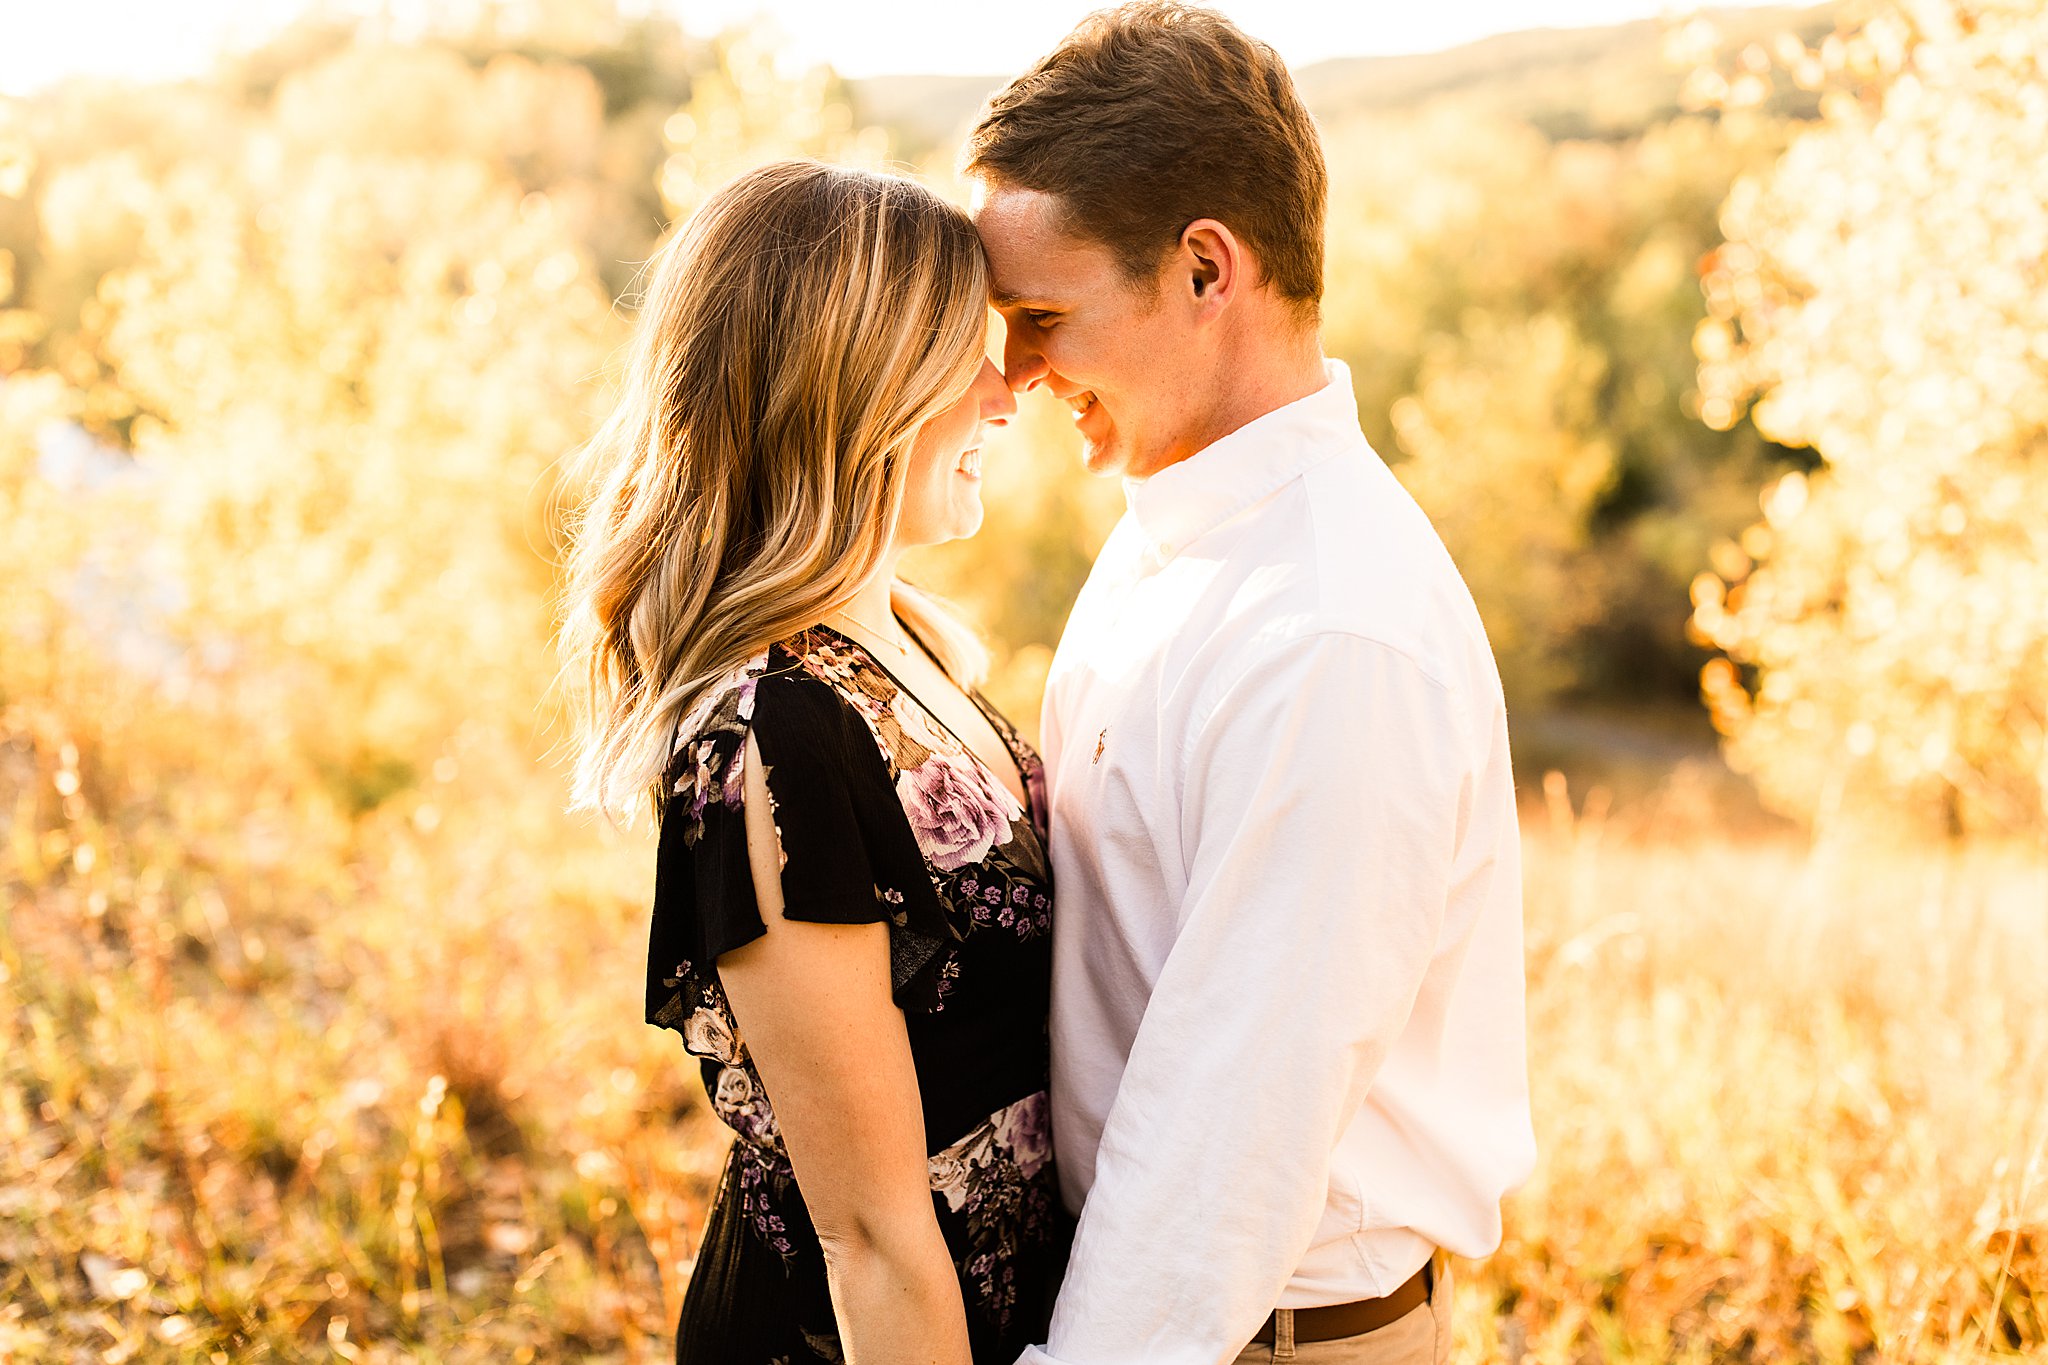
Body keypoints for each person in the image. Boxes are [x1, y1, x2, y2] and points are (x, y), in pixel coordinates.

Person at [964, 6, 1537, 1363]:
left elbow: (1224, 1147)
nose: (1018, 374)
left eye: (1045, 317)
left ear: (1206, 268)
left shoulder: (1332, 634)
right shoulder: (1183, 528)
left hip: (1261, 1336)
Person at [563, 159, 1068, 1364]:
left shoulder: (899, 646)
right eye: (967, 359)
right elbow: (870, 1236)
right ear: (858, 391)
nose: (1010, 397)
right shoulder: (769, 735)